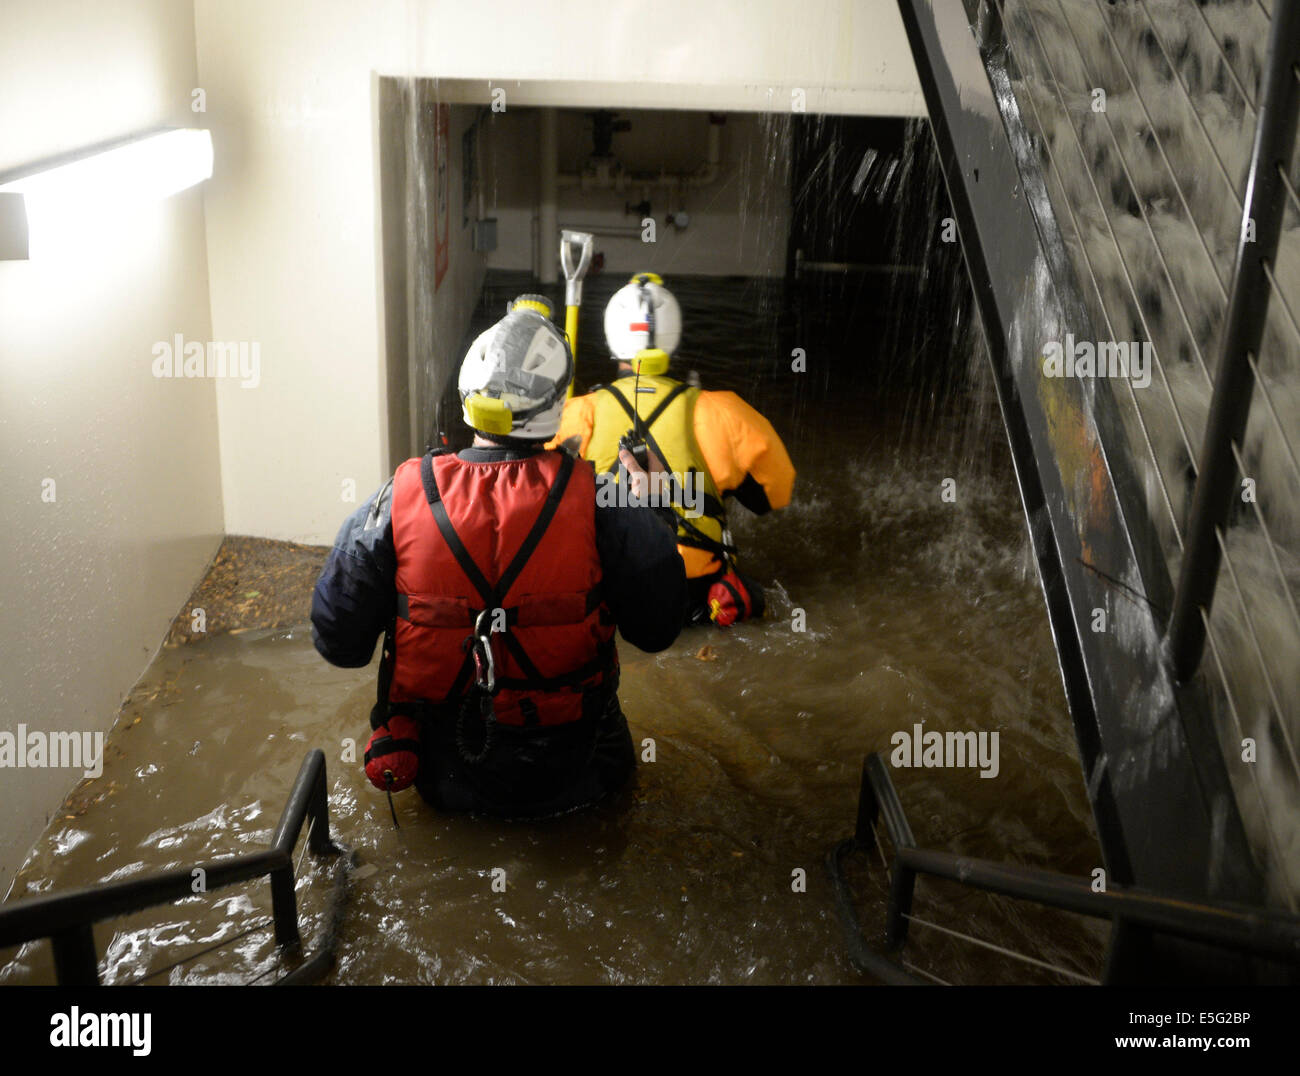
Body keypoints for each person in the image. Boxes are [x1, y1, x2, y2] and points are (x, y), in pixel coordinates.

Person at [311, 296, 686, 819]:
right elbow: (659, 628)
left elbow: (338, 643)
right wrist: (654, 511)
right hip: (584, 778)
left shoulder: (398, 500)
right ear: (556, 409)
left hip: (449, 782)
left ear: (468, 398)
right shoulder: (605, 502)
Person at [550, 272, 795, 626]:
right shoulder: (723, 411)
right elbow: (771, 497)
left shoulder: (573, 416)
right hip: (698, 597)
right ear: (674, 338)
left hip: (608, 598)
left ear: (611, 338)